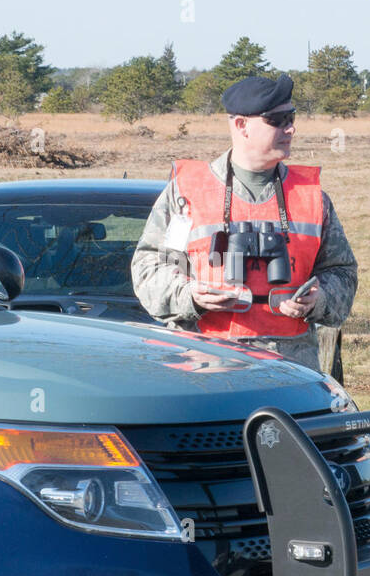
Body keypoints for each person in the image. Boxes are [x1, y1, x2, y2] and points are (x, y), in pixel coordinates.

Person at [131, 73, 357, 372]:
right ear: (241, 125)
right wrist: (190, 296)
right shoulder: (187, 194)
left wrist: (320, 299)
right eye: (277, 120)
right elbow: (149, 268)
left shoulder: (312, 198)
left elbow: (342, 272)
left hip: (290, 368)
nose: (290, 128)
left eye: (291, 117)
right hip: (204, 364)